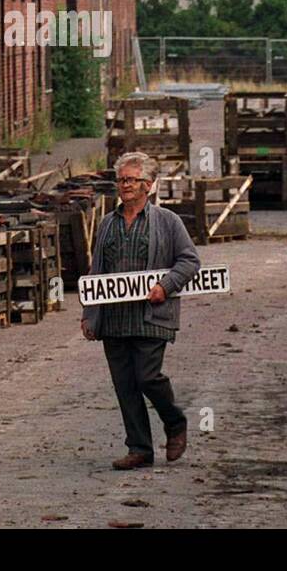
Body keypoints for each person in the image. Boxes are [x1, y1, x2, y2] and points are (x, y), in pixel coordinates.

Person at [81, 152, 200, 469]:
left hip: (152, 317)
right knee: (125, 385)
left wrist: (166, 285)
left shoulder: (167, 222)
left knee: (147, 377)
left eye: (131, 180)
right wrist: (90, 315)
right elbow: (97, 274)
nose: (124, 185)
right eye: (120, 180)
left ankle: (174, 422)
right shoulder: (108, 223)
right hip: (115, 320)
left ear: (147, 184)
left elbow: (189, 261)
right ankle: (140, 449)